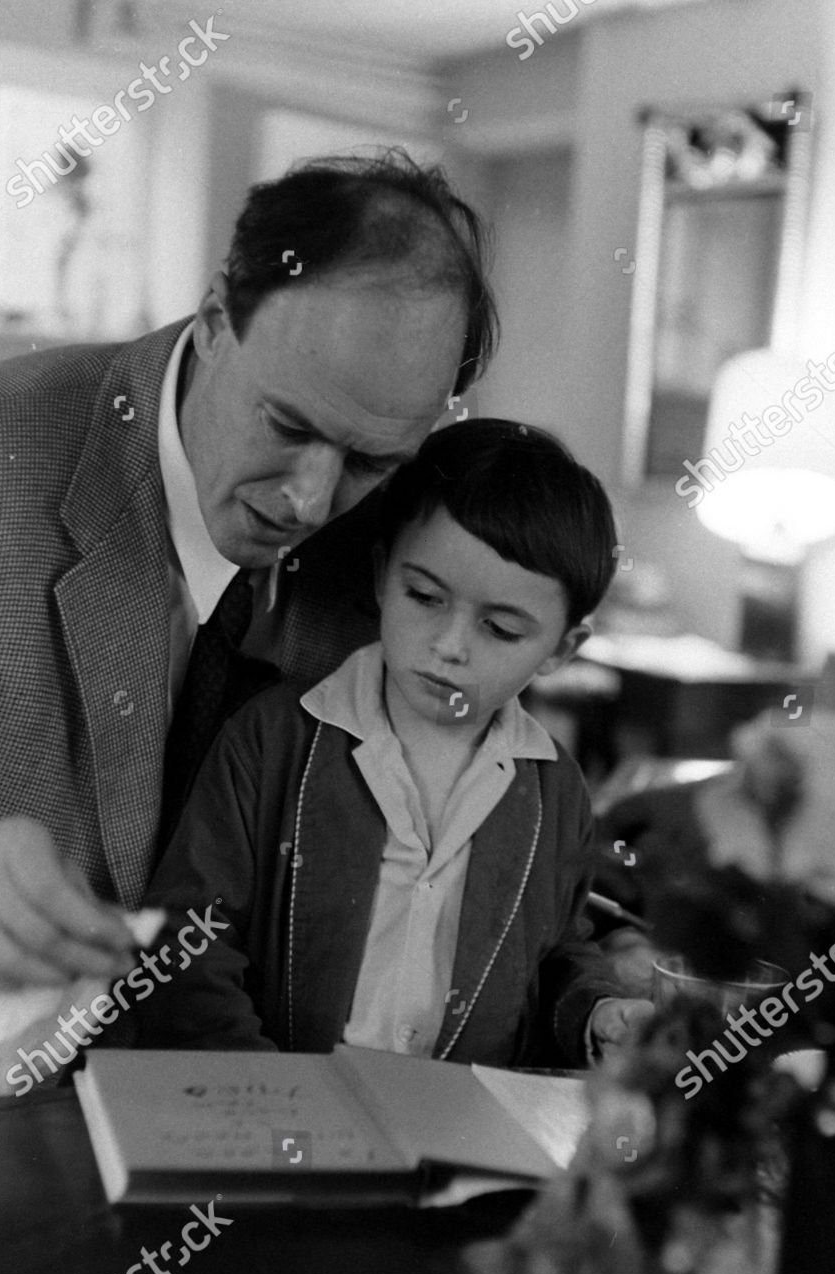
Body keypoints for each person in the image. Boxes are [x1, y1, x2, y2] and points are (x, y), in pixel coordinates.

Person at [0, 149, 495, 997]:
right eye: (286, 424)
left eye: (370, 462)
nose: (309, 503)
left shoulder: (413, 545)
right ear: (213, 318)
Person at [134, 420, 650, 1067]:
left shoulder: (555, 790)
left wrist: (595, 1010)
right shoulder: (273, 741)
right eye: (424, 596)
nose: (450, 645)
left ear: (562, 648)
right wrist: (268, 1090)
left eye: (499, 628)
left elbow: (556, 950)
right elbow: (187, 944)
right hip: (281, 1119)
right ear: (383, 576)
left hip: (460, 1136)